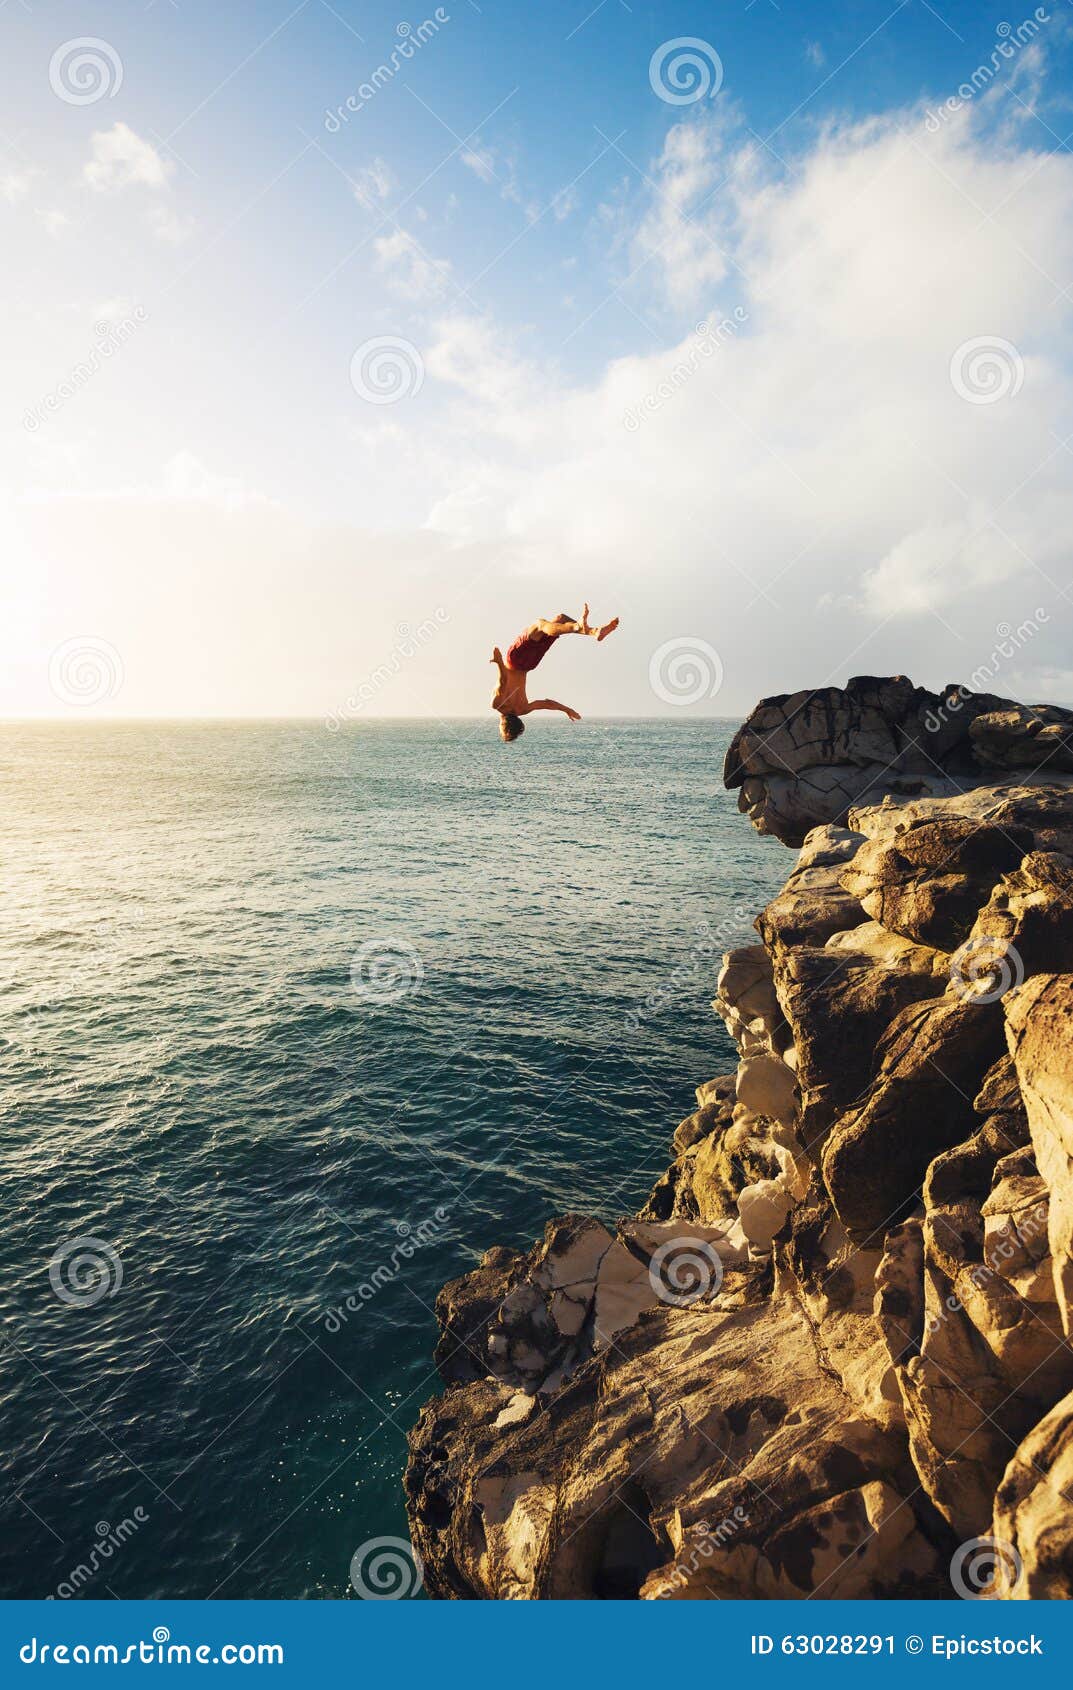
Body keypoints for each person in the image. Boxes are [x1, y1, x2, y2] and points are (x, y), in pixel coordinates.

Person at [490, 605, 619, 741]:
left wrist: (567, 710)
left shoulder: (523, 709)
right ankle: (578, 626)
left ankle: (595, 631)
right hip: (515, 659)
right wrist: (499, 662)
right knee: (539, 624)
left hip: (530, 664)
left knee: (560, 620)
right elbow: (503, 681)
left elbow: (547, 703)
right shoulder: (497, 704)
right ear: (503, 726)